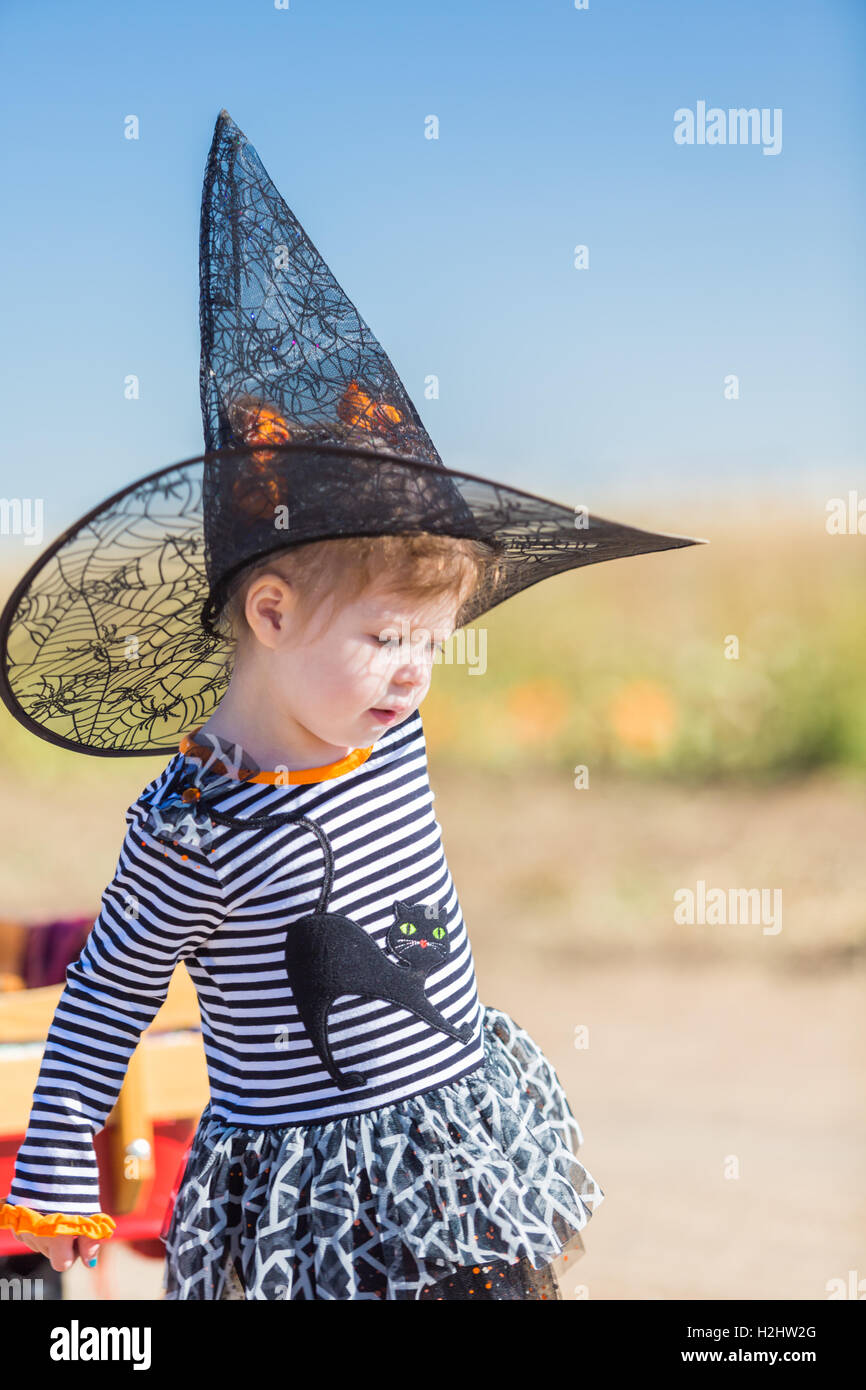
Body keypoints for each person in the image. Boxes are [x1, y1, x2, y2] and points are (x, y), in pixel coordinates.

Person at [0, 108, 700, 1299]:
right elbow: (106, 994)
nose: (415, 670)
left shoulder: (386, 723)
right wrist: (61, 1170)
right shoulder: (191, 828)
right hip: (310, 1190)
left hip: (445, 1136)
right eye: (384, 636)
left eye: (430, 639)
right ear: (268, 617)